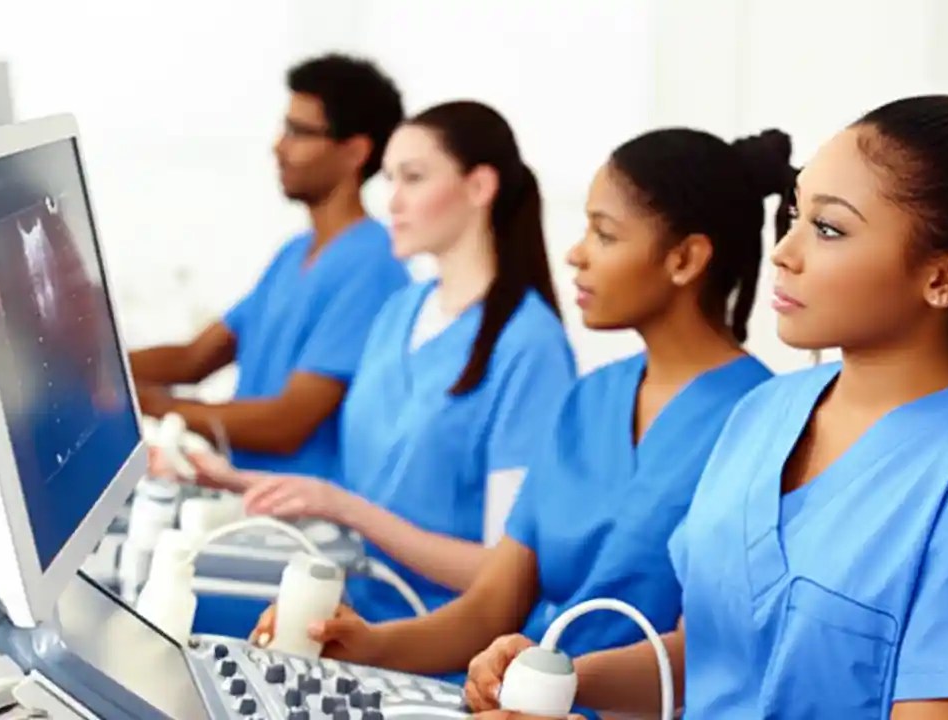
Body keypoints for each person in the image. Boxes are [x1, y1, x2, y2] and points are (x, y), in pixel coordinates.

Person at [469, 92, 948, 720]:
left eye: (829, 228)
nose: (783, 254)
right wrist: (559, 677)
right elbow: (719, 659)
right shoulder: (762, 415)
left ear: (945, 276)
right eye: (793, 218)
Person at [241, 126, 789, 692]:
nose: (575, 254)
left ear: (684, 259)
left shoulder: (759, 421)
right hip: (519, 693)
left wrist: (553, 683)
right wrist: (369, 645)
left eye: (603, 234)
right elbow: (490, 608)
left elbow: (705, 654)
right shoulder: (590, 398)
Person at [189, 101, 576, 623]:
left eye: (413, 178)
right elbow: (360, 494)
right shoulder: (400, 312)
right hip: (351, 609)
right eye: (390, 179)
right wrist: (225, 478)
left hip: (439, 640)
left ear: (479, 188)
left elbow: (503, 573)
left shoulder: (529, 347)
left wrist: (344, 508)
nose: (392, 201)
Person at [130, 53, 408, 483]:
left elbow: (286, 426)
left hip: (303, 525)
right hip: (244, 499)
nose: (278, 147)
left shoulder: (373, 266)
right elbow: (193, 359)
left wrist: (149, 405)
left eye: (299, 132)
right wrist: (86, 371)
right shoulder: (295, 254)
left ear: (355, 151)